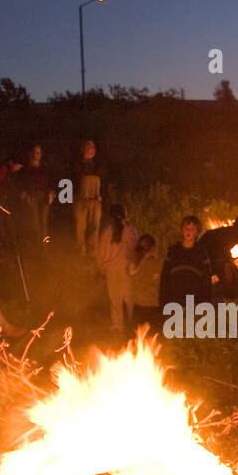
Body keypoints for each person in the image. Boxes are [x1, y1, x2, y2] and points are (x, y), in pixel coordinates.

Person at [96, 204, 139, 334]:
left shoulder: (106, 232)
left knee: (115, 302)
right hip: (127, 270)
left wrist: (102, 269)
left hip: (111, 271)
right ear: (126, 216)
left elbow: (100, 254)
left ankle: (117, 328)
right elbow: (135, 250)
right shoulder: (131, 231)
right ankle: (133, 325)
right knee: (130, 299)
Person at [161, 215, 215, 307]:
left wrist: (204, 301)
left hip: (194, 300)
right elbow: (165, 277)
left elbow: (206, 280)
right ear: (182, 229)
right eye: (187, 228)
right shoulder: (173, 251)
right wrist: (163, 299)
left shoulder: (201, 253)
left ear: (197, 233)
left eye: (193, 229)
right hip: (174, 298)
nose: (189, 231)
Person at [197, 215, 238, 290]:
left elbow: (223, 247)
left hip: (205, 250)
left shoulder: (229, 231)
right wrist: (228, 260)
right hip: (205, 252)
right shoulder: (237, 233)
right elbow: (221, 247)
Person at [73, 139, 104, 257]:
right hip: (80, 200)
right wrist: (66, 199)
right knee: (80, 227)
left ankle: (92, 251)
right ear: (83, 149)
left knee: (94, 227)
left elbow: (101, 177)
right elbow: (73, 178)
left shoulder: (98, 165)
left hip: (95, 200)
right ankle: (81, 252)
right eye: (88, 147)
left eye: (93, 147)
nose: (91, 149)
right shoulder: (76, 164)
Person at [130, 233, 163, 331]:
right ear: (154, 248)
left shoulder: (133, 265)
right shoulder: (158, 265)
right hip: (154, 308)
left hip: (137, 308)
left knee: (138, 341)